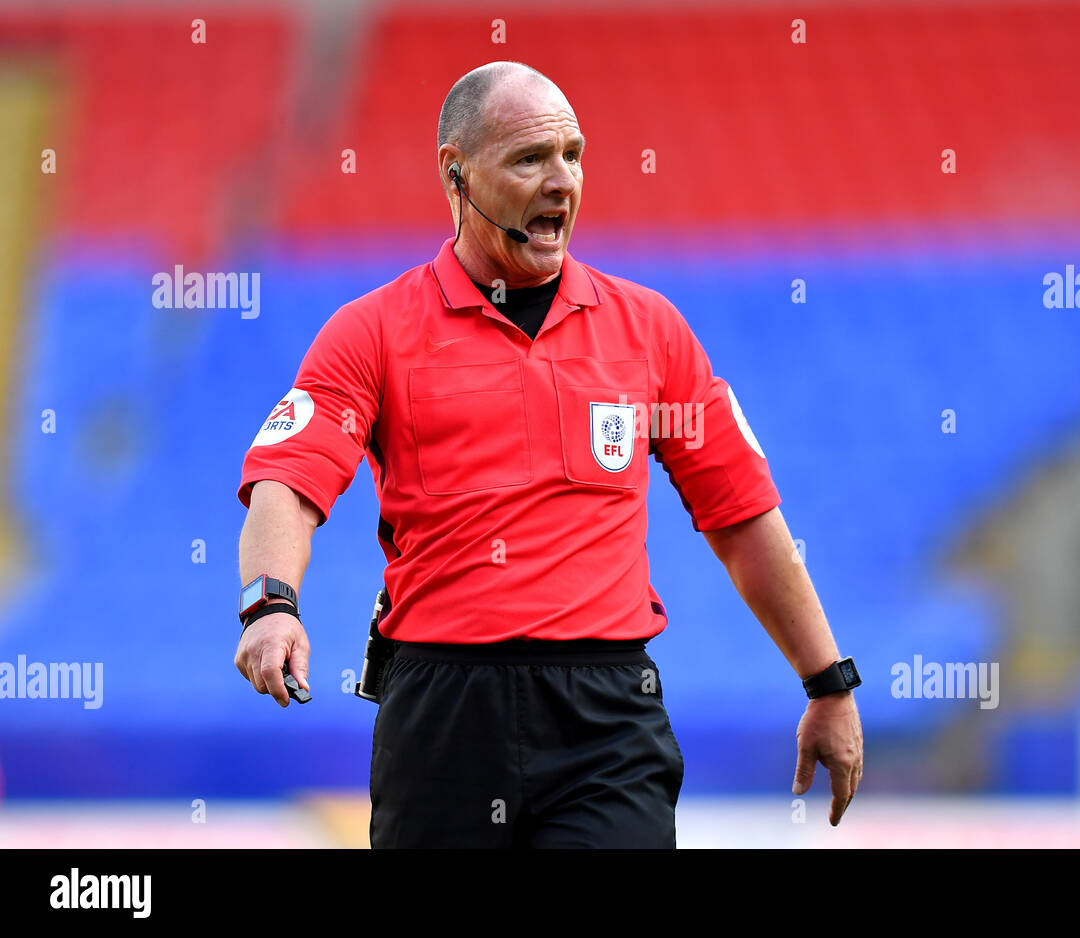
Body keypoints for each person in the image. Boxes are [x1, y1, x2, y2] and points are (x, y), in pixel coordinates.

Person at [233, 60, 863, 848]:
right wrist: (270, 605)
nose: (561, 180)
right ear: (455, 174)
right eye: (530, 159)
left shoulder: (650, 331)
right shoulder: (374, 332)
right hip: (443, 713)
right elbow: (289, 481)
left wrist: (827, 682)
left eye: (573, 154)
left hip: (605, 719)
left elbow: (741, 515)